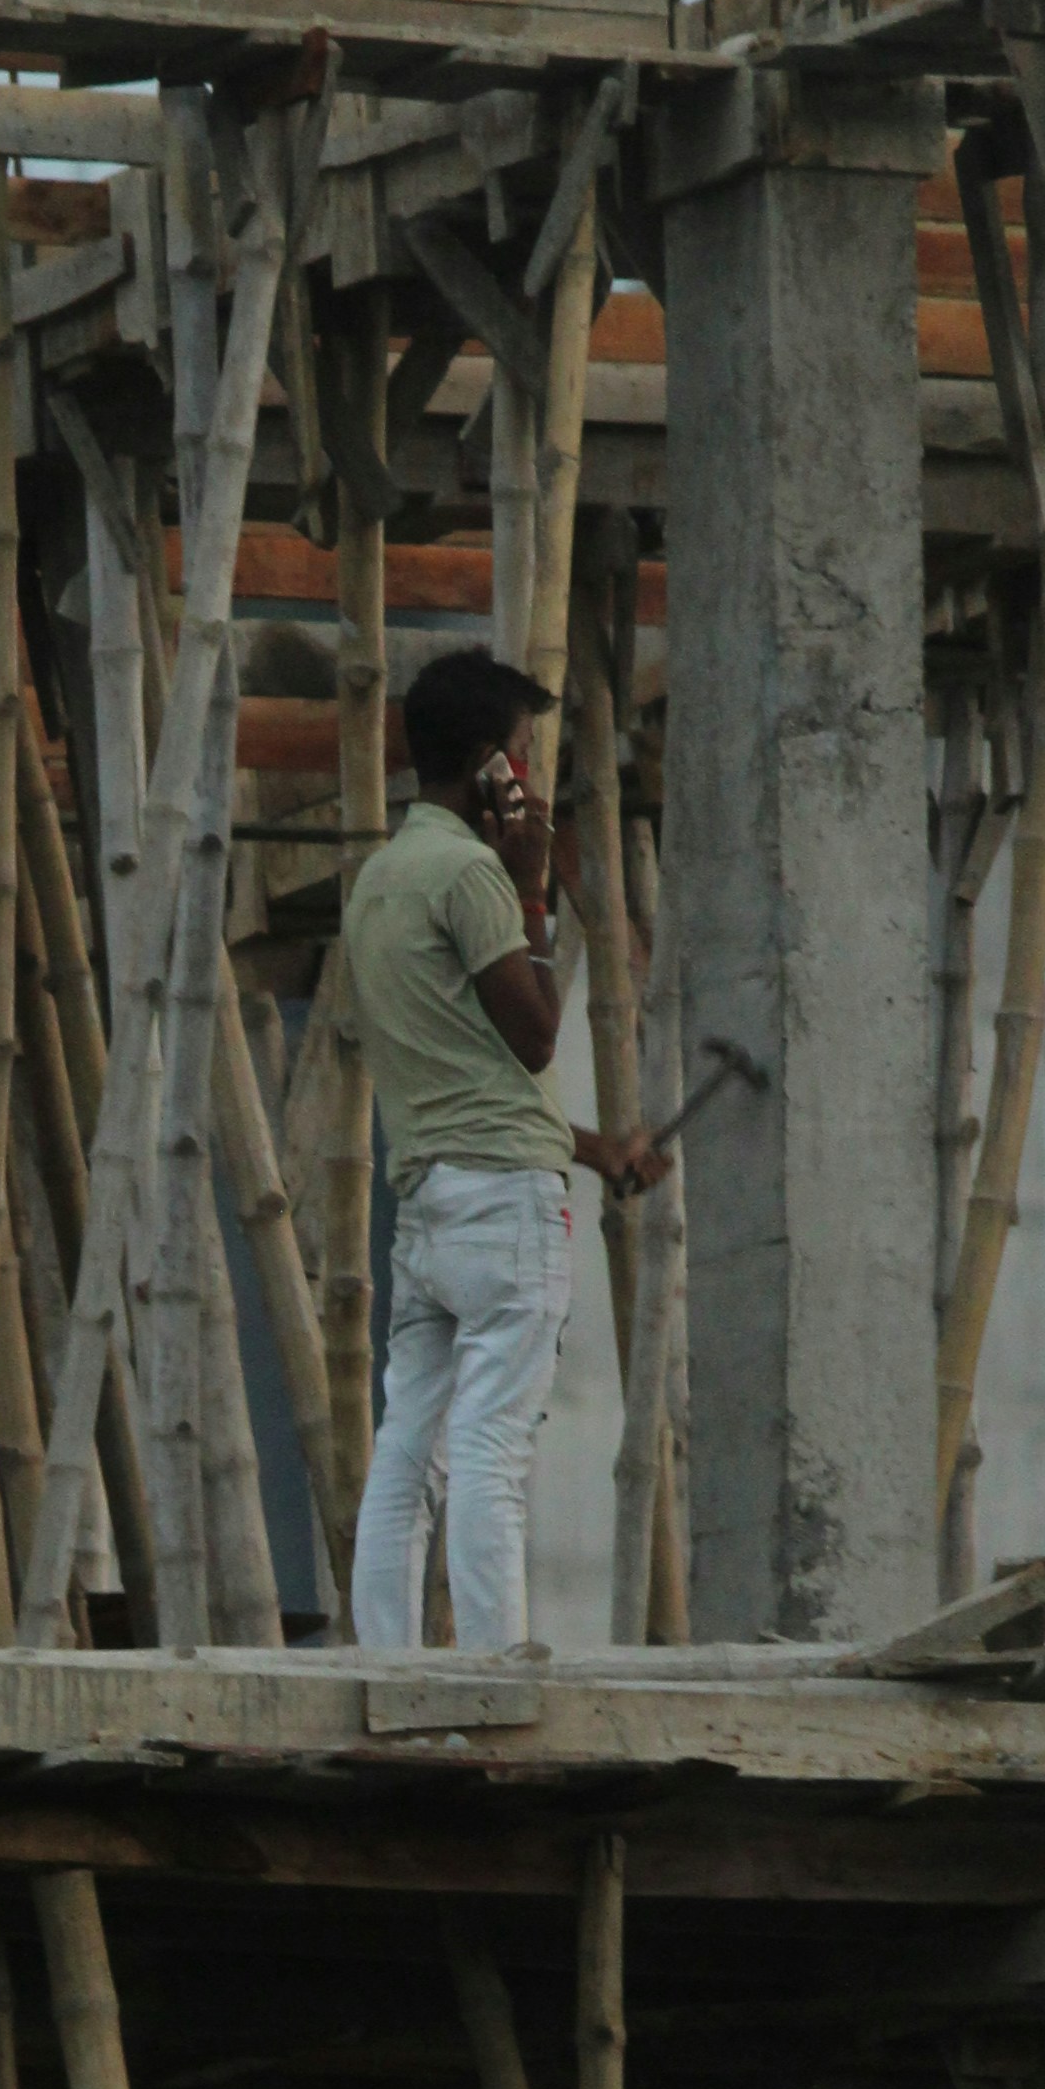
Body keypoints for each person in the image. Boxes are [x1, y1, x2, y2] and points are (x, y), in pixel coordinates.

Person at [338, 643, 667, 1656]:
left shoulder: (381, 880)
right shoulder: (474, 874)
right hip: (504, 1215)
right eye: (524, 754)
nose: (530, 777)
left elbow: (473, 1077)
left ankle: (390, 1662)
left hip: (432, 1206)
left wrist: (596, 1149)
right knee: (491, 1445)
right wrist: (532, 889)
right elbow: (533, 1034)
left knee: (409, 1446)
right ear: (492, 764)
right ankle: (495, 1667)